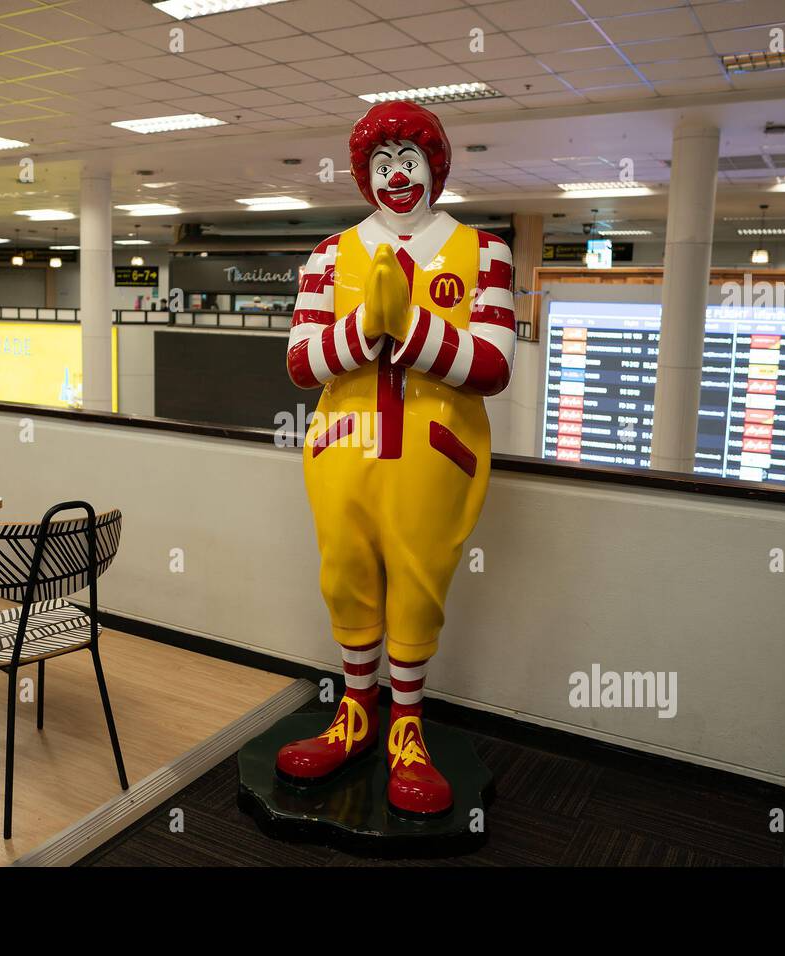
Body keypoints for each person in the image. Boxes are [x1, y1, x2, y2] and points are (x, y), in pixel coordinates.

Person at [278, 101, 515, 816]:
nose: (397, 176)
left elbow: (493, 365)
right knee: (344, 576)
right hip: (342, 450)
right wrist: (364, 326)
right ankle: (354, 716)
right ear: (363, 175)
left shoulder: (485, 252)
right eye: (382, 164)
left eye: (409, 160)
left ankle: (405, 730)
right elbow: (299, 362)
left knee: (418, 584)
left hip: (433, 455)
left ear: (434, 167)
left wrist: (407, 326)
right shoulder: (328, 254)